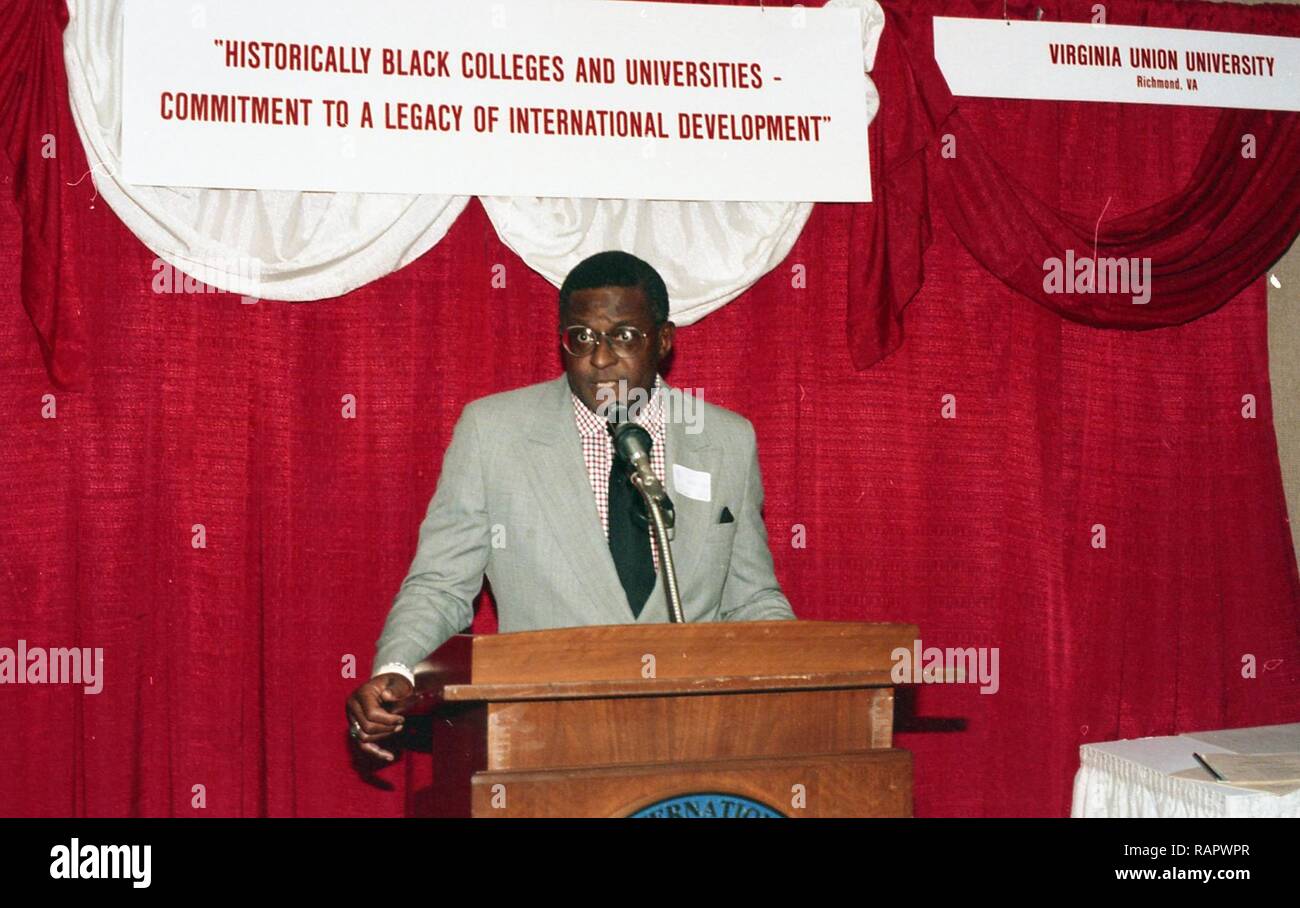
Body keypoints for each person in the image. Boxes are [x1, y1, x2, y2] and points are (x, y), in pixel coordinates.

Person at [346, 250, 794, 760]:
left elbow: (750, 599)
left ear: (664, 340)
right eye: (582, 337)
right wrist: (396, 670)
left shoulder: (725, 439)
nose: (600, 359)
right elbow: (442, 585)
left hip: (691, 739)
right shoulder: (494, 433)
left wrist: (809, 678)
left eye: (624, 336)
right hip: (545, 739)